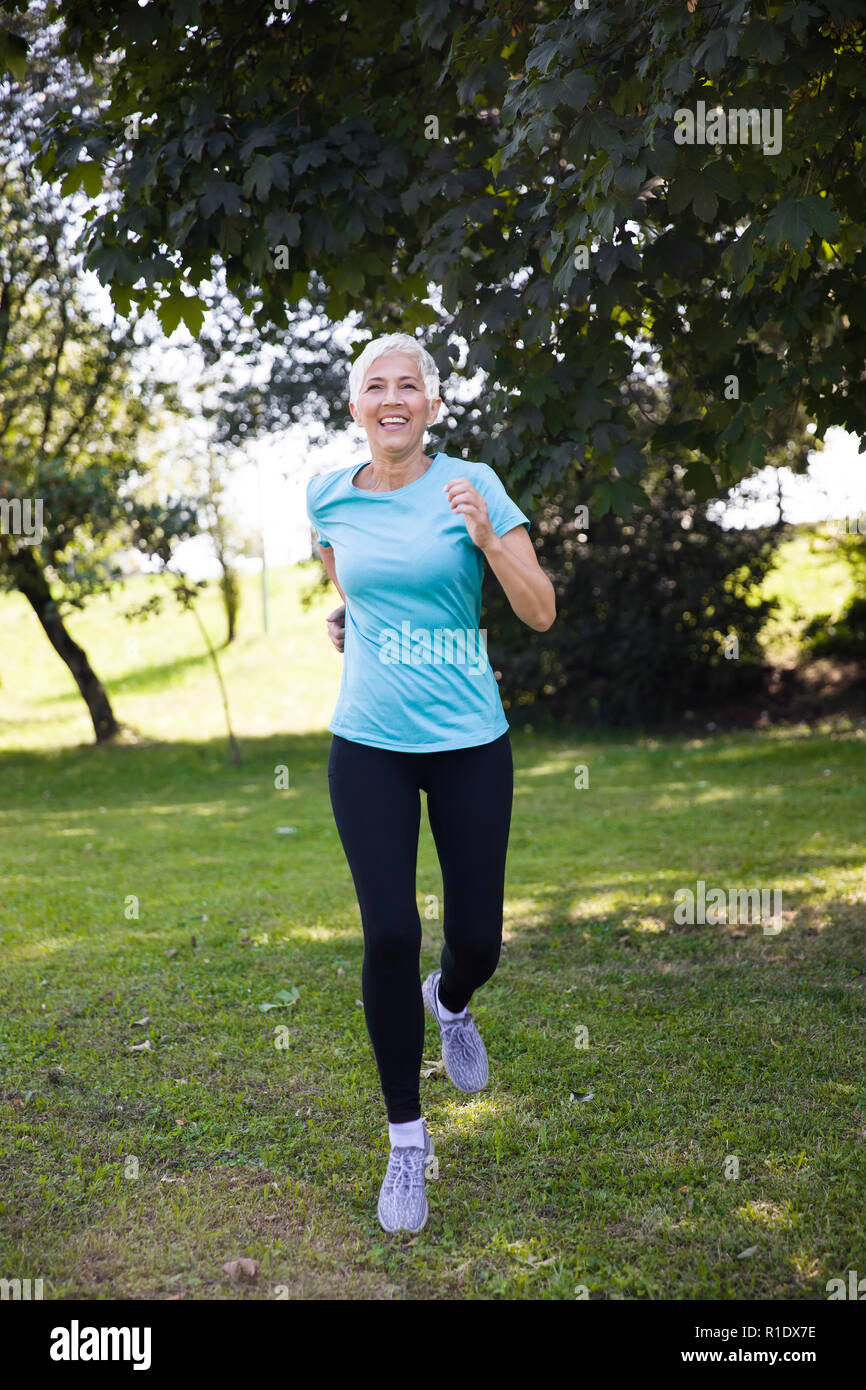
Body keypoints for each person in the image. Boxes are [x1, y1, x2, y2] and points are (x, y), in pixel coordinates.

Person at [306, 333, 556, 1234]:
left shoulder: (475, 483)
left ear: (433, 407)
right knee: (388, 932)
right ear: (356, 407)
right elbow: (342, 570)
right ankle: (407, 1144)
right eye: (376, 385)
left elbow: (540, 607)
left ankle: (448, 1000)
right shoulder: (327, 492)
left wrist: (489, 540)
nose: (393, 397)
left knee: (478, 942)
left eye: (409, 384)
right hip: (368, 741)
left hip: (467, 740)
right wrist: (351, 613)